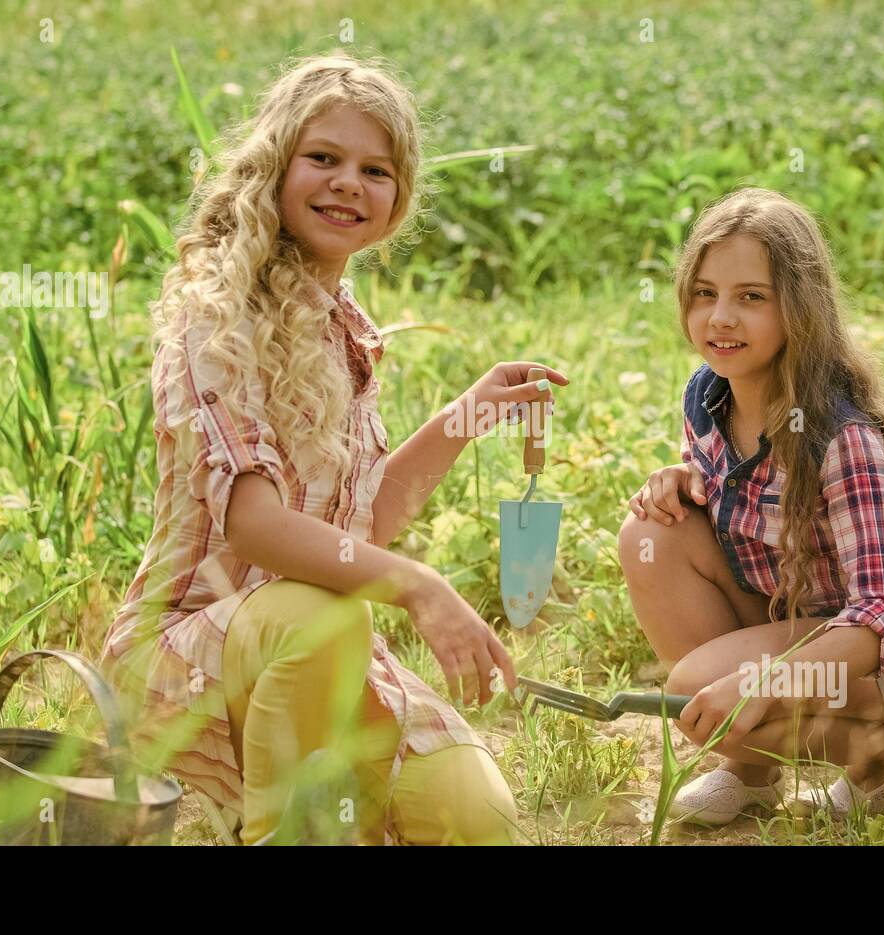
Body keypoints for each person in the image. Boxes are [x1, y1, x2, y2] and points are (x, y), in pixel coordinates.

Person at [101, 53, 567, 844]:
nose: (349, 181)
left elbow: (355, 536)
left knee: (472, 816)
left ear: (398, 198)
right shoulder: (215, 314)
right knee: (322, 622)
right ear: (277, 167)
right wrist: (419, 587)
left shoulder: (344, 326)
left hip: (315, 649)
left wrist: (462, 418)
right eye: (324, 158)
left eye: (374, 169)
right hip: (188, 659)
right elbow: (257, 527)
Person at [619, 188, 884, 825]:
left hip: (880, 663)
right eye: (704, 293)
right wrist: (683, 478)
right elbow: (745, 501)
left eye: (751, 297)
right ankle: (750, 772)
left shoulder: (841, 438)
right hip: (794, 610)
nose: (721, 317)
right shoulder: (709, 397)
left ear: (798, 311)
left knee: (697, 686)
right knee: (652, 532)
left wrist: (764, 683)